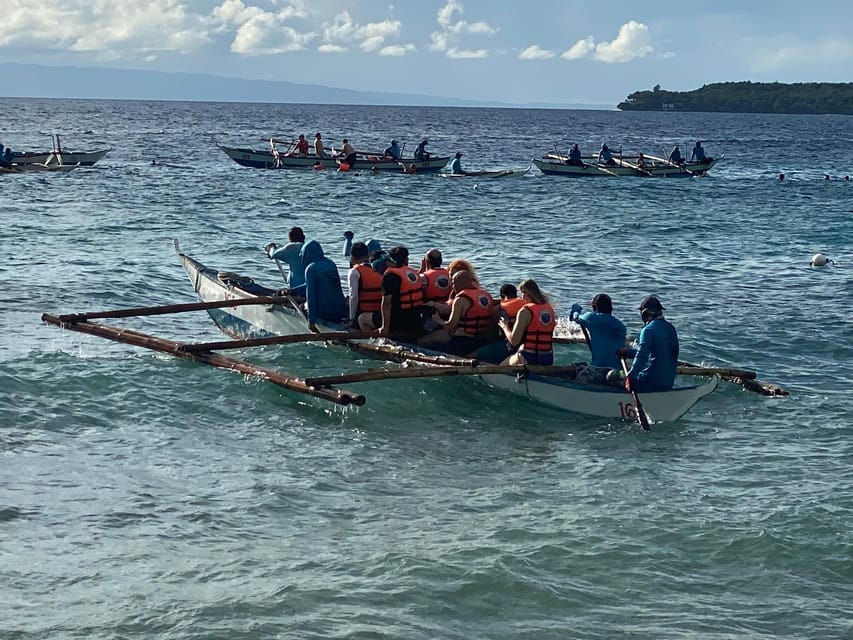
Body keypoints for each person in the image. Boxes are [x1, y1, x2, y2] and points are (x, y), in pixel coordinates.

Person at [359, 245, 429, 338]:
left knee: (362, 318)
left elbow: (386, 304)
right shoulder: (411, 272)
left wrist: (385, 328)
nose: (376, 271)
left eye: (376, 267)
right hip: (415, 319)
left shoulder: (389, 277)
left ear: (386, 263)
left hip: (398, 321)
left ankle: (377, 341)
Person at [421, 270, 496, 355]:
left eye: (453, 283)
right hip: (482, 339)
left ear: (461, 283)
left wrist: (438, 320)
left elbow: (450, 325)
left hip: (462, 341)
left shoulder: (460, 300)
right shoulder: (486, 295)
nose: (452, 286)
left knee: (427, 341)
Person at [618, 295, 679, 393]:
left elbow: (642, 356)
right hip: (668, 383)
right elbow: (654, 353)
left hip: (649, 383)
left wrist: (630, 377)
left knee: (612, 376)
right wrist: (628, 353)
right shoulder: (671, 328)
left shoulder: (648, 330)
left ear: (645, 313)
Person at [286, 240, 347, 332]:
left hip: (323, 311)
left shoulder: (311, 269)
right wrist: (294, 291)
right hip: (340, 310)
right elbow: (318, 284)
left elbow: (311, 296)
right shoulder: (331, 264)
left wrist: (311, 321)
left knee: (301, 306)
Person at [569, 293, 628, 385]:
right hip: (617, 372)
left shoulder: (591, 318)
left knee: (578, 368)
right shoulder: (621, 326)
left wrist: (575, 309)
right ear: (610, 308)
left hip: (598, 370)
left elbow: (574, 317)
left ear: (594, 307)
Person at [497, 279, 556, 365]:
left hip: (528, 357)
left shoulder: (525, 311)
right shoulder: (549, 309)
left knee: (500, 367)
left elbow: (514, 341)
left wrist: (504, 326)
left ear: (529, 294)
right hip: (547, 358)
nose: (521, 297)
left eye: (522, 293)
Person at [346, 241, 383, 329]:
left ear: (352, 257)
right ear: (368, 255)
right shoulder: (379, 268)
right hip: (381, 313)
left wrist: (351, 319)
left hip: (364, 314)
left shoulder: (354, 272)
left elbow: (353, 297)